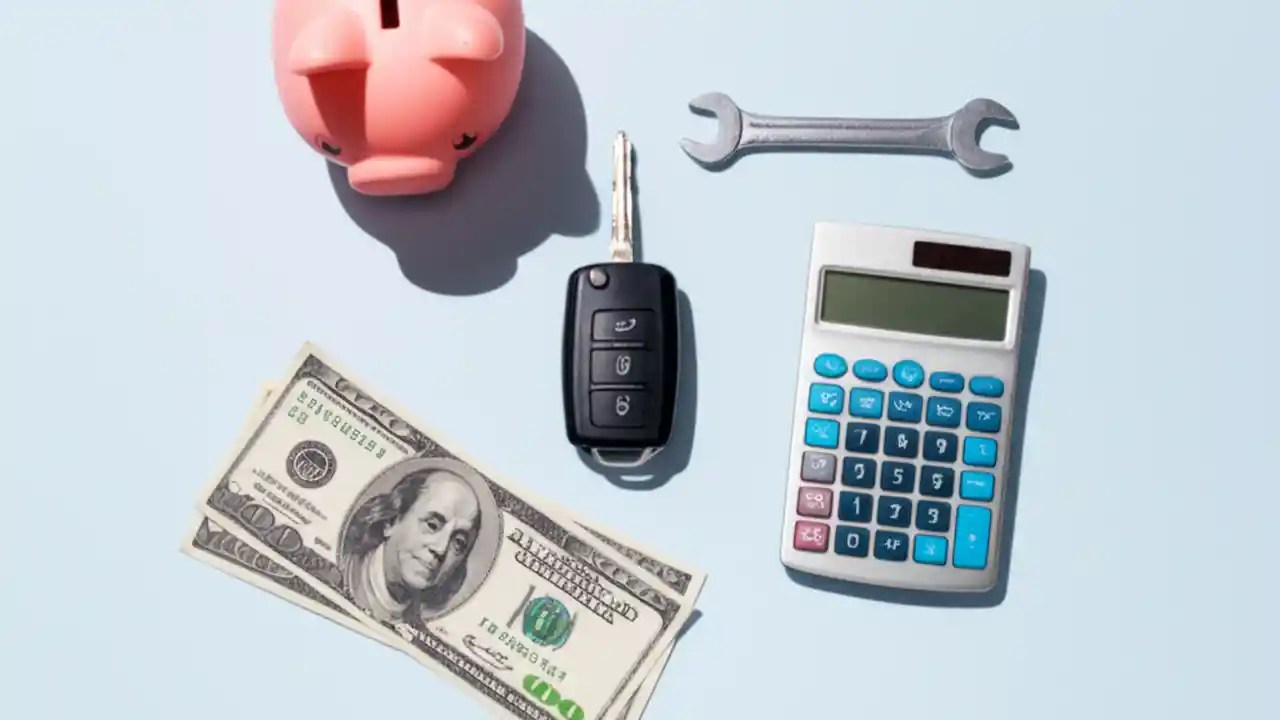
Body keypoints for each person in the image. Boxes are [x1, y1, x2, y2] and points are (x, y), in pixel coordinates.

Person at [340, 466, 482, 626]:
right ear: (391, 522)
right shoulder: (342, 571)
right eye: (432, 525)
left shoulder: (419, 628)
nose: (441, 549)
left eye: (459, 543)